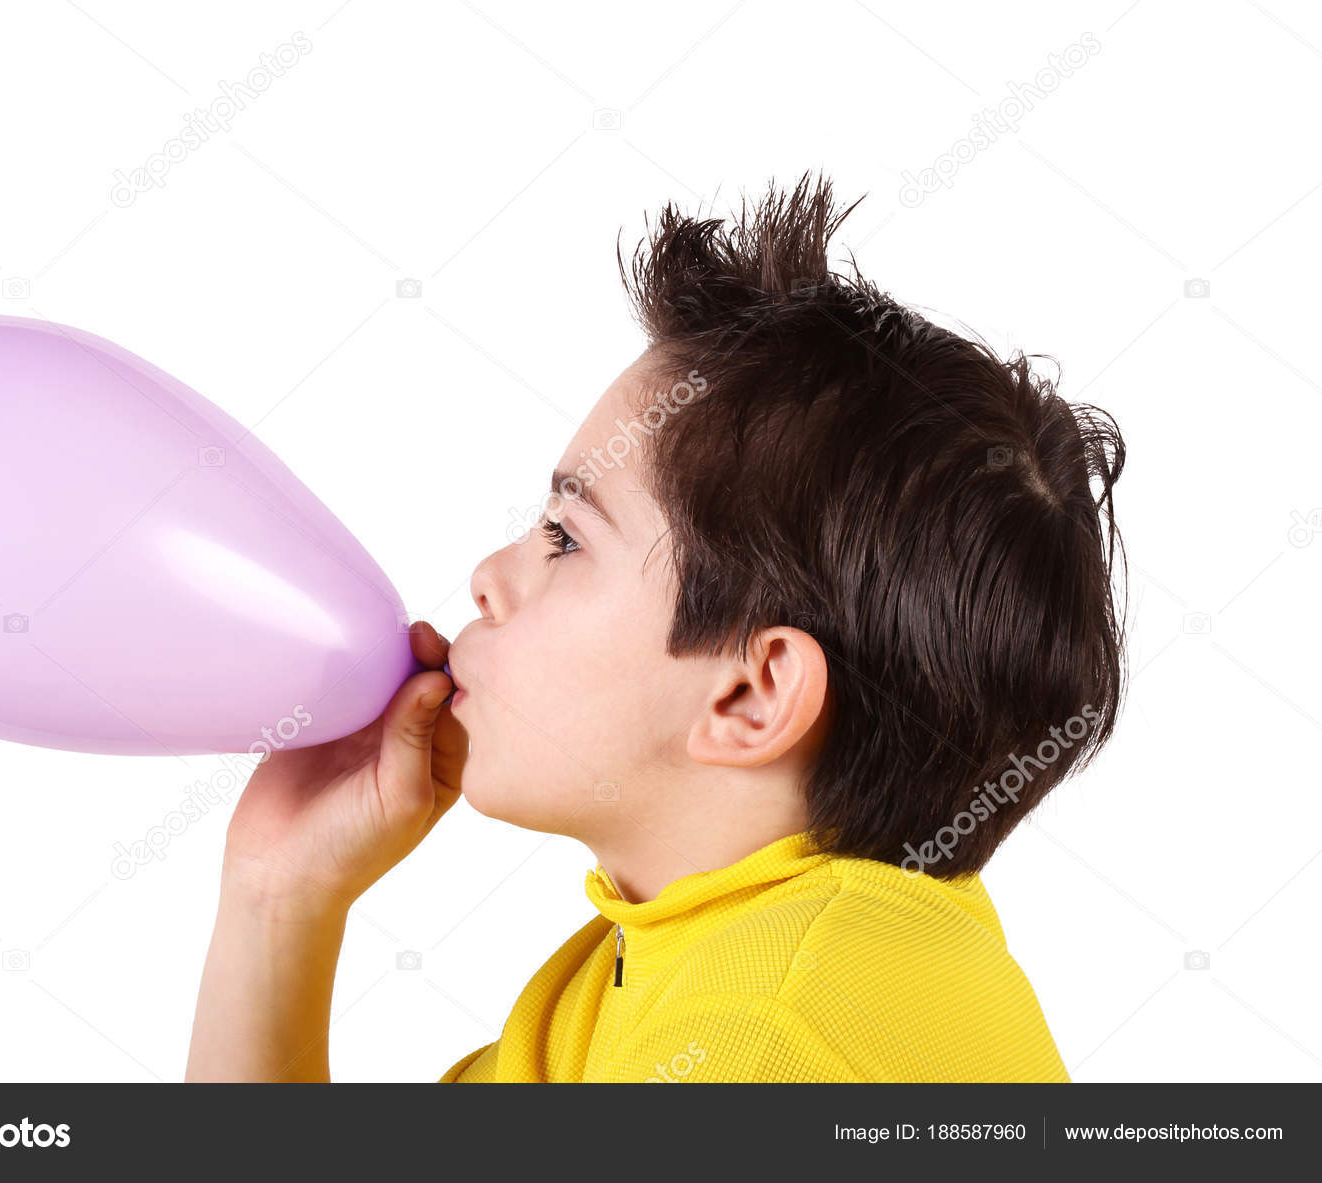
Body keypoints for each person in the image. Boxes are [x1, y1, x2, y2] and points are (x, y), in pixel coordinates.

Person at [186, 171, 1126, 1082]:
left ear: (751, 694)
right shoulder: (712, 952)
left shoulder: (763, 1038)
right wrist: (278, 895)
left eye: (565, 538)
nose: (488, 581)